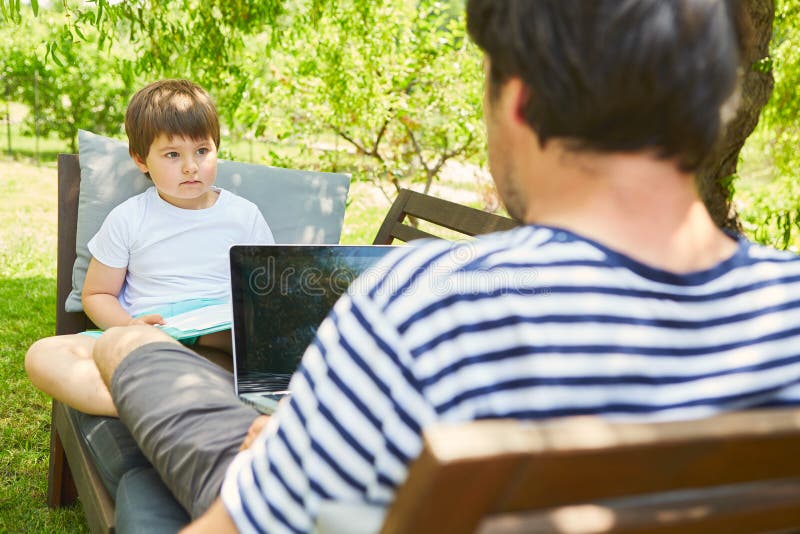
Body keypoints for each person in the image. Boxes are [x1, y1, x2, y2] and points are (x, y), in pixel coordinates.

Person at [90, 0, 800, 532]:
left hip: (287, 492)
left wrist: (288, 446)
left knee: (138, 355)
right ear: (717, 105)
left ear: (517, 102)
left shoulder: (424, 303)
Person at [25, 79, 274, 417]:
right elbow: (97, 294)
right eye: (173, 154)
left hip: (219, 337)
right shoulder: (129, 218)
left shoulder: (244, 216)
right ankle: (150, 406)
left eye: (202, 151)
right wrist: (129, 328)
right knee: (43, 356)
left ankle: (194, 397)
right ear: (141, 159)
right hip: (146, 338)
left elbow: (267, 291)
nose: (191, 166)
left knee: (277, 342)